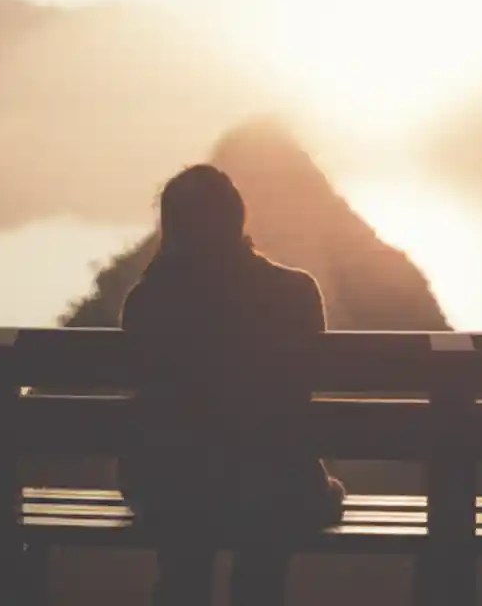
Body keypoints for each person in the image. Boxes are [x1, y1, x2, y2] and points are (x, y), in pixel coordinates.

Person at [119, 164, 346, 606]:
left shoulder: (147, 301)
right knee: (274, 512)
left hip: (172, 490)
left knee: (184, 531)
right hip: (275, 488)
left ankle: (181, 588)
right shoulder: (297, 292)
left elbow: (148, 397)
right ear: (238, 219)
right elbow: (299, 396)